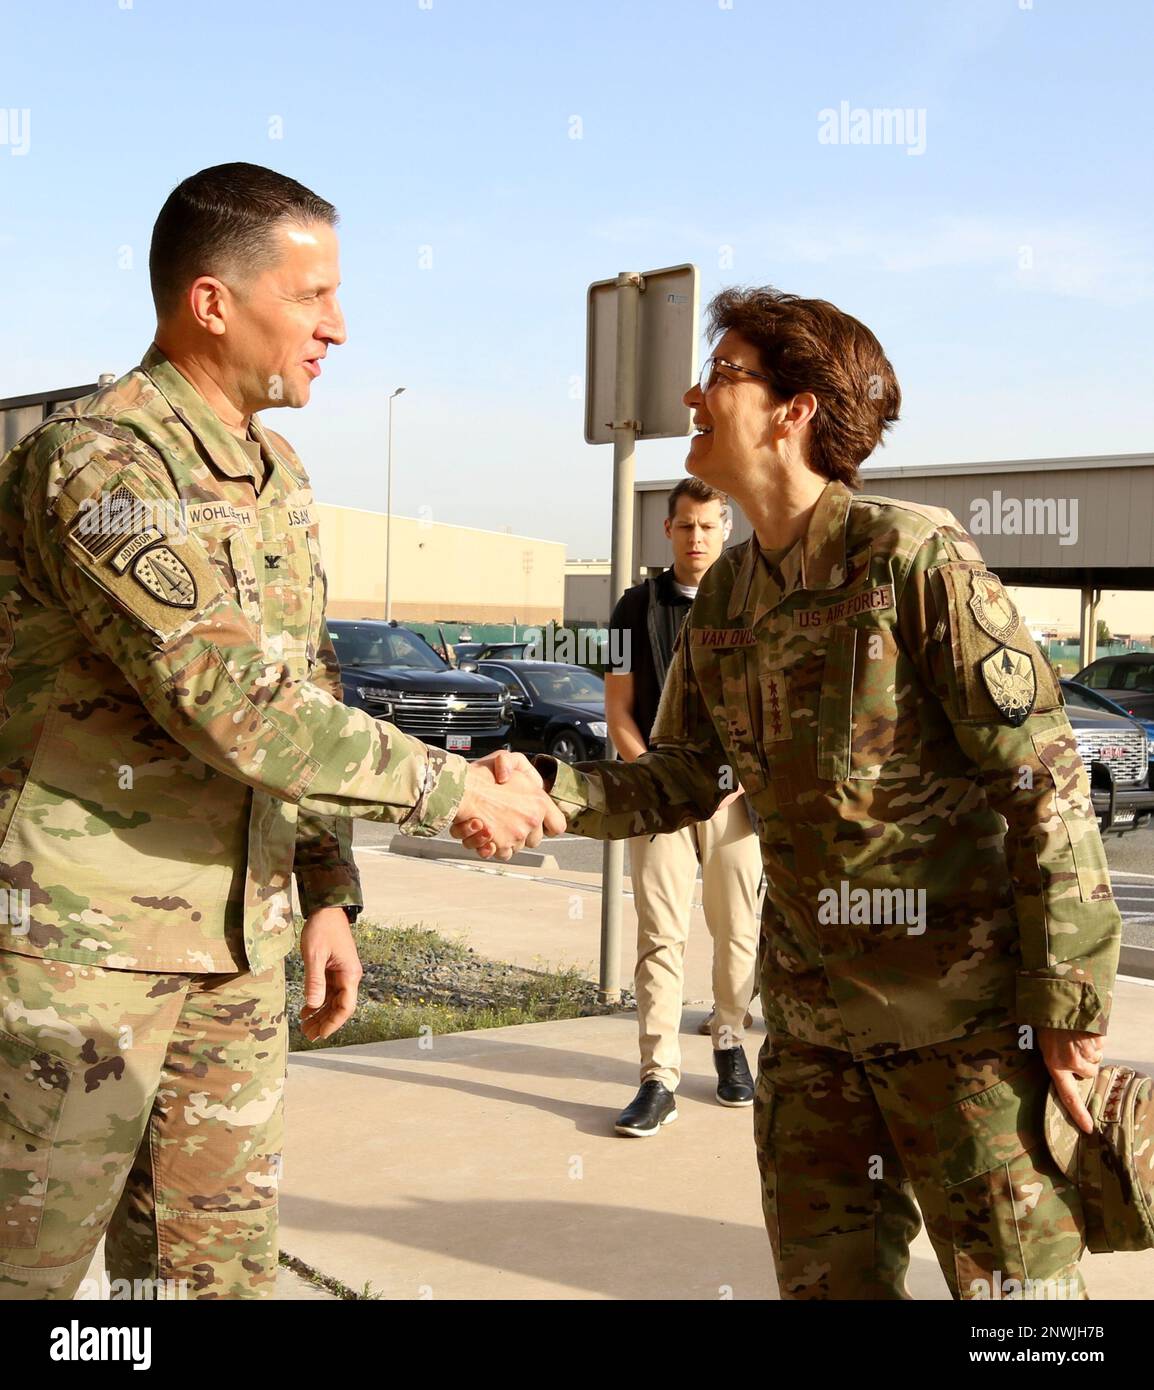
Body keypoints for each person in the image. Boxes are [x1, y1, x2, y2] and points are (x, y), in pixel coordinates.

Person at [460, 286, 1122, 1299]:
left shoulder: (909, 559)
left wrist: (1066, 1004)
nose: (691, 390)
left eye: (720, 373)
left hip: (967, 1036)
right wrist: (547, 790)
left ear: (794, 408)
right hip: (812, 1040)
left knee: (1022, 1317)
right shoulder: (724, 597)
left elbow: (1042, 780)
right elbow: (681, 775)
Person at [0, 162, 559, 1300]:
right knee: (33, 1279)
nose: (338, 329)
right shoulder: (97, 463)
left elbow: (305, 688)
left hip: (236, 965)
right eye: (311, 298)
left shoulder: (279, 477)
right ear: (212, 302)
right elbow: (229, 702)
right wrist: (457, 792)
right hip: (81, 961)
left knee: (213, 1278)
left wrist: (326, 890)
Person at [605, 477, 762, 1135]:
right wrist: (653, 777)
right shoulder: (630, 608)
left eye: (708, 525)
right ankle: (657, 1078)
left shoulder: (756, 604)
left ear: (726, 528)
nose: (696, 537)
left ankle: (728, 1040)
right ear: (667, 530)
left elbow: (772, 706)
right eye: (685, 525)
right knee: (659, 937)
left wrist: (748, 778)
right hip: (660, 797)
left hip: (736, 799)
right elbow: (616, 708)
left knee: (738, 935)